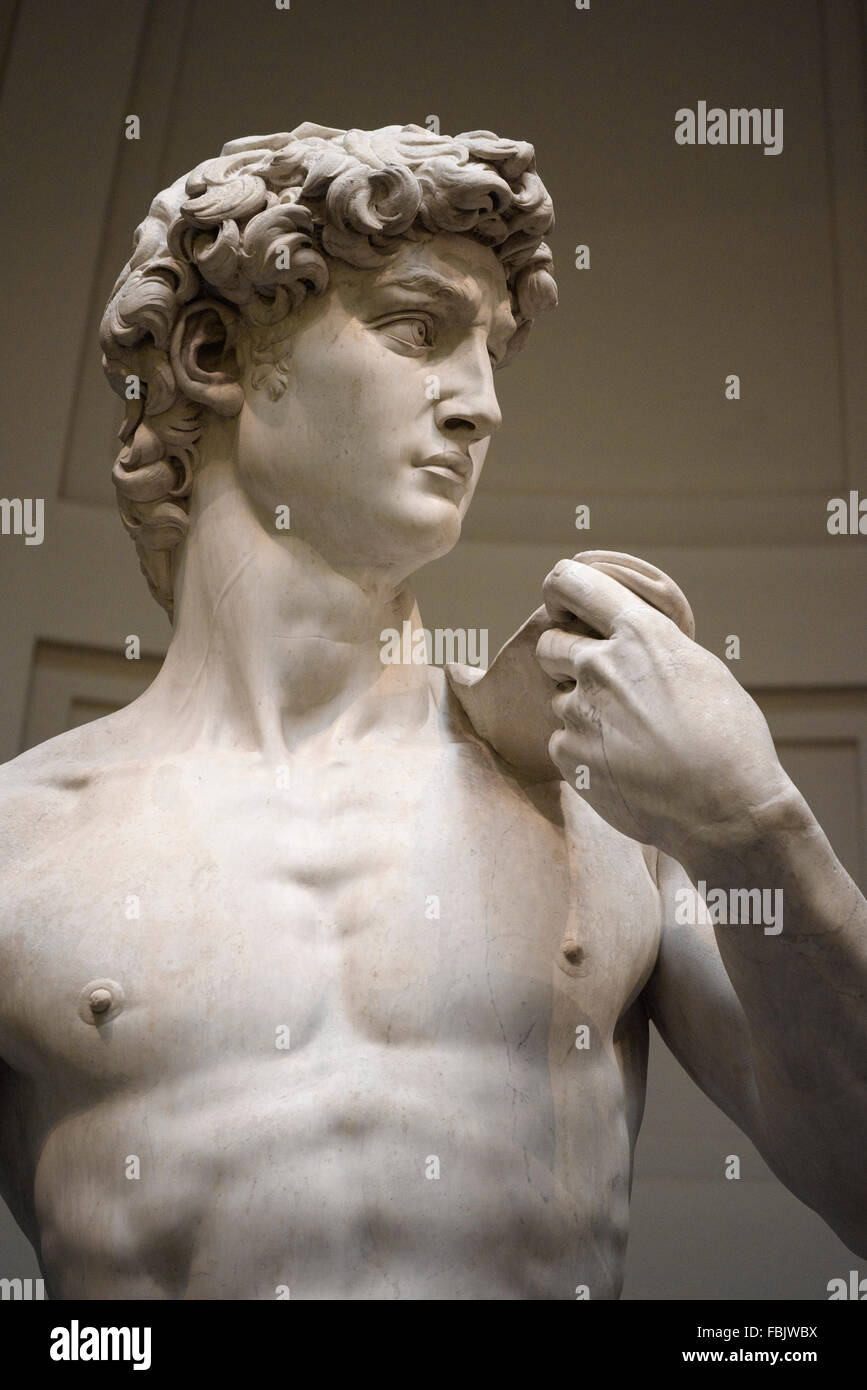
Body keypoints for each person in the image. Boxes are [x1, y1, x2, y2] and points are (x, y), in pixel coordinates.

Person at [0, 123, 864, 1300]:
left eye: (497, 353)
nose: (483, 406)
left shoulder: (604, 802)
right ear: (215, 352)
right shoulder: (21, 848)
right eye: (421, 329)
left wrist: (756, 825)